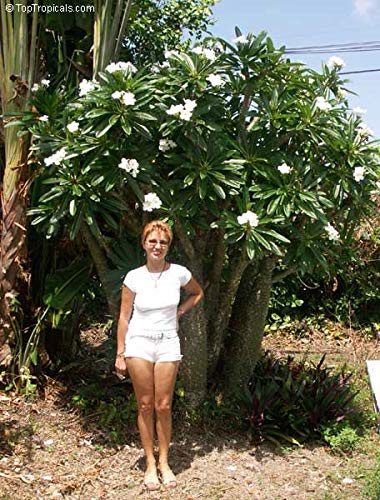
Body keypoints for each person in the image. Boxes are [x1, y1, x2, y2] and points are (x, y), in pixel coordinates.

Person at [115, 220, 203, 491]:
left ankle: (165, 462)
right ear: (144, 244)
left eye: (163, 242)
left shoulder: (178, 273)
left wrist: (179, 312)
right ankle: (150, 464)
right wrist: (120, 353)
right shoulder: (133, 277)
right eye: (152, 241)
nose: (157, 246)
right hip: (139, 344)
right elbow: (123, 316)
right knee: (145, 404)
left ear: (168, 246)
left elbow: (197, 293)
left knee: (163, 405)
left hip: (167, 344)